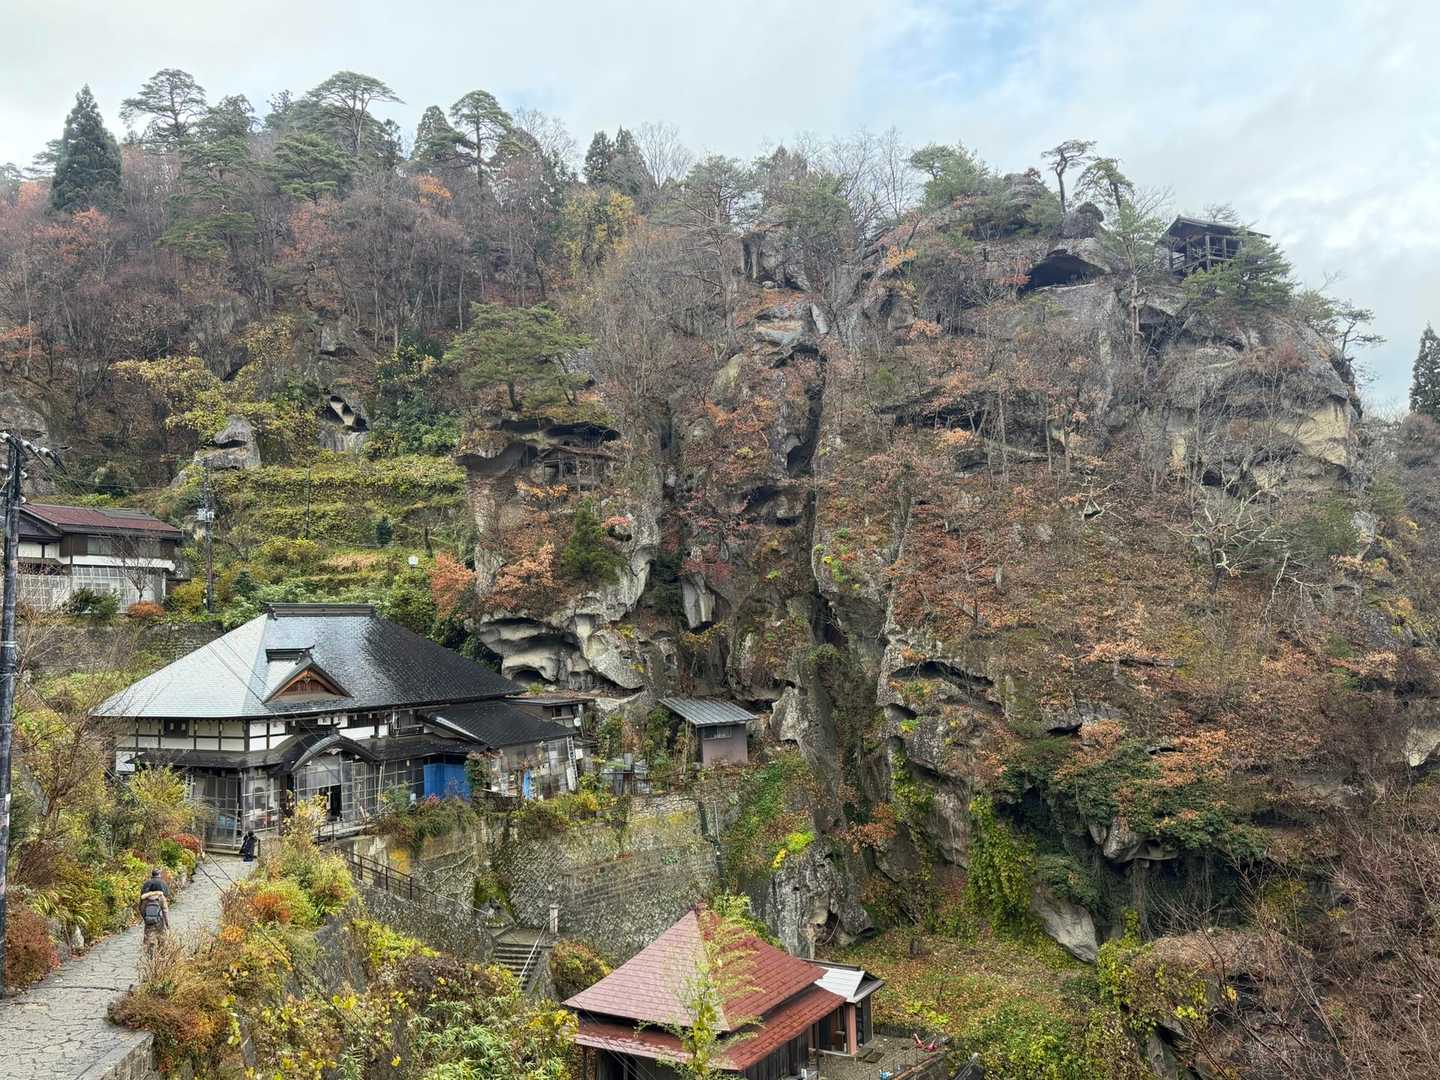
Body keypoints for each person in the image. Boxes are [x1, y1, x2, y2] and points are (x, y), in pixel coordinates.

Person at [138, 868, 171, 956]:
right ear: (159, 875)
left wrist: (145, 918)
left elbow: (141, 908)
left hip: (149, 920)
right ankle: (162, 956)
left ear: (152, 874)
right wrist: (167, 924)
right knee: (162, 938)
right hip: (160, 920)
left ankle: (150, 955)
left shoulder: (146, 885)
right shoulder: (162, 889)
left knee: (149, 938)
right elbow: (165, 910)